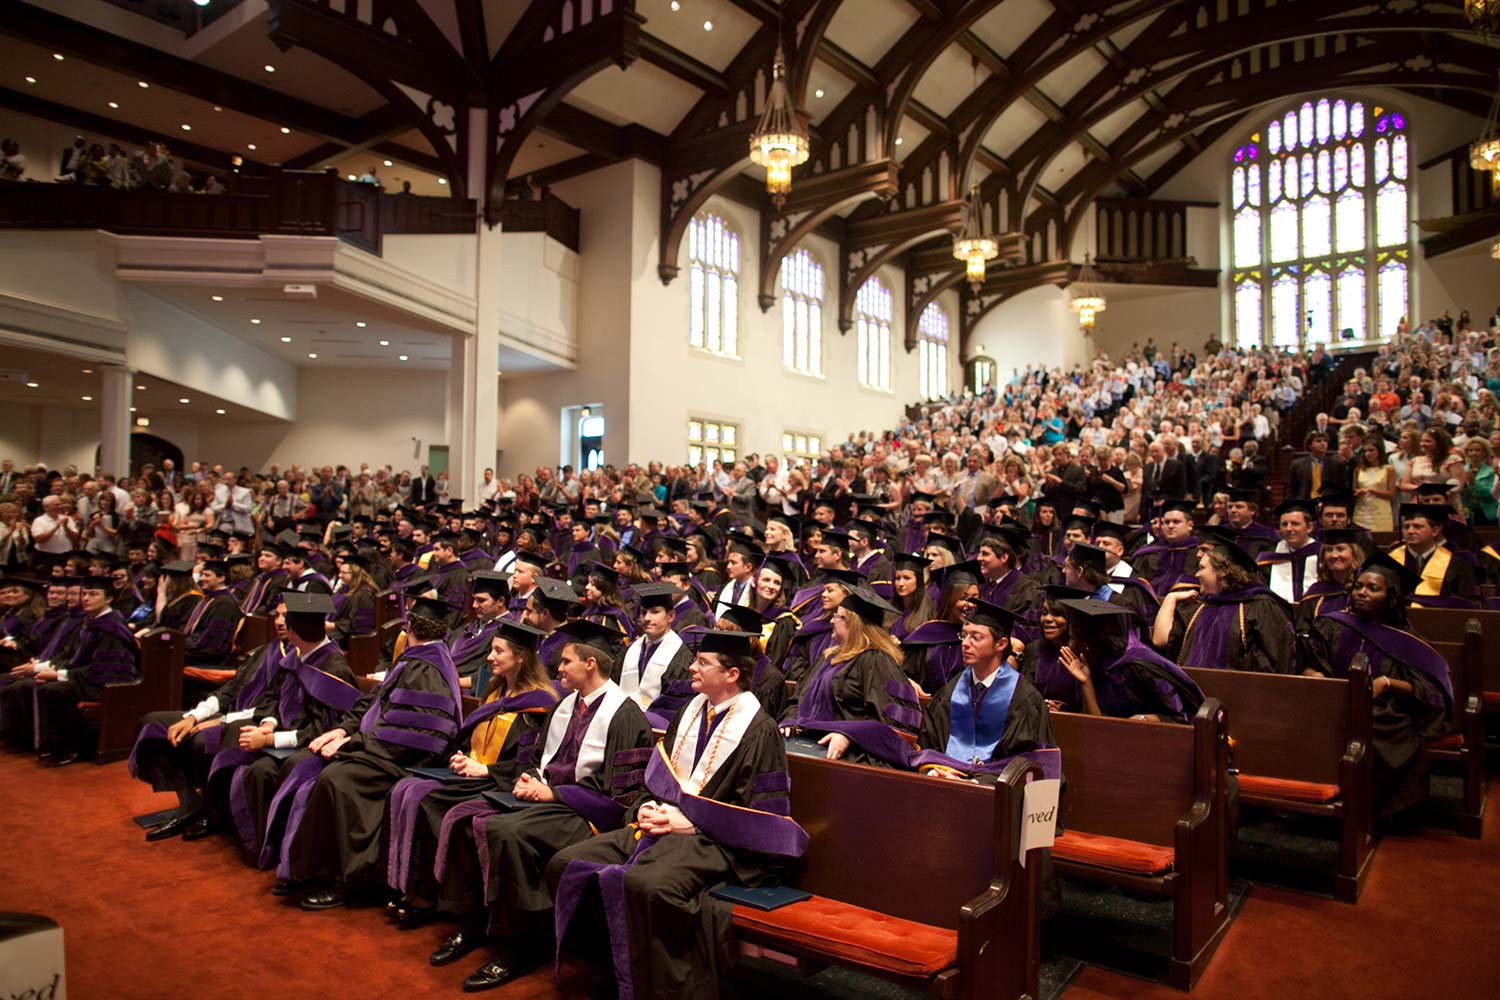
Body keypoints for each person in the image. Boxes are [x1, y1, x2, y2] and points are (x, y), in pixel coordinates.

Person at [547, 628, 806, 1000]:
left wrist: (692, 823)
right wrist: (648, 806)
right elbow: (658, 776)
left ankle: (661, 988)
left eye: (703, 663)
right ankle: (614, 968)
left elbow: (760, 815)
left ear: (731, 675)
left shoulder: (759, 729)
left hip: (716, 843)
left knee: (645, 885)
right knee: (568, 862)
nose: (692, 667)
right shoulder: (689, 710)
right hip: (660, 825)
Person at [458, 619, 654, 992]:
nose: (558, 668)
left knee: (508, 831)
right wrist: (531, 779)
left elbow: (621, 799)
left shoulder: (625, 715)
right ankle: (482, 923)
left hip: (590, 816)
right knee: (478, 820)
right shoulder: (565, 707)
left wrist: (556, 794)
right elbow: (537, 758)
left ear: (590, 664)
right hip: (553, 806)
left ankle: (525, 944)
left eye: (565, 661)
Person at [278, 595, 465, 910]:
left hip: (406, 761)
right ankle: (308, 870)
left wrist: (354, 744)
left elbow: (416, 738)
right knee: (317, 767)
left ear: (408, 626)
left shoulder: (425, 667)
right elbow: (373, 703)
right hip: (384, 751)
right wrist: (343, 731)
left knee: (339, 779)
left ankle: (348, 881)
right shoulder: (414, 658)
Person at [384, 619, 558, 944]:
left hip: (497, 784)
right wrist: (463, 755)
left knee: (428, 801)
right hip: (472, 775)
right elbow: (472, 737)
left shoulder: (537, 705)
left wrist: (487, 772)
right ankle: (408, 884)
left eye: (497, 651)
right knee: (405, 788)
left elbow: (528, 761)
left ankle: (431, 897)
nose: (490, 657)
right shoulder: (495, 691)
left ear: (520, 657)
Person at [1304, 554, 1453, 817]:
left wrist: (1386, 683)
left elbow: (1426, 690)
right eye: (1359, 586)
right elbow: (1311, 659)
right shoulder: (1332, 625)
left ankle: (1368, 808)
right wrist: (1313, 673)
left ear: (1390, 596)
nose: (1362, 593)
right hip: (1333, 699)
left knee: (1368, 723)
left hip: (1384, 708)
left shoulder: (1406, 640)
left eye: (1373, 589)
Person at [915, 599, 1056, 780]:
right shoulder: (948, 694)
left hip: (998, 798)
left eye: (976, 637)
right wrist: (935, 772)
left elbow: (1031, 766)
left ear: (1001, 644)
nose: (965, 643)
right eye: (964, 635)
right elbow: (929, 749)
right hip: (945, 789)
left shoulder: (1024, 700)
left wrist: (975, 783)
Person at [779, 586, 919, 765]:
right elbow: (799, 698)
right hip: (810, 742)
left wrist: (851, 735)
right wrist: (789, 721)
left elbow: (896, 727)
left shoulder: (876, 660)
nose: (831, 621)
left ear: (854, 623)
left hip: (855, 753)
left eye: (837, 616)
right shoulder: (828, 658)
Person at [9, 574, 139, 764]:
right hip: (86, 679)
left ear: (109, 598)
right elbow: (68, 655)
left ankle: (68, 749)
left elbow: (104, 671)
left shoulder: (111, 628)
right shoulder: (90, 623)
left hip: (107, 684)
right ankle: (49, 745)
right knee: (44, 685)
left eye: (93, 594)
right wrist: (42, 668)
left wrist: (59, 675)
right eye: (85, 594)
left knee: (54, 690)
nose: (86, 598)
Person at [1155, 530, 1297, 674]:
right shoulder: (1200, 607)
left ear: (1221, 572)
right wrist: (1170, 599)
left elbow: (1280, 661)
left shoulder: (1261, 607)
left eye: (1202, 568)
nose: (1197, 574)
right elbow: (1160, 640)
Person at [1057, 598, 1205, 722]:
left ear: (1087, 644)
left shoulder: (1139, 668)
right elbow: (1099, 726)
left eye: (1071, 638)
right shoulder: (1097, 665)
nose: (1068, 645)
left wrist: (1146, 719)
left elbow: (1182, 718)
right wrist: (1086, 682)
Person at [615, 582, 695, 726]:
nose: (647, 618)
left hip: (655, 731)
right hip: (622, 725)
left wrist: (641, 718)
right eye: (643, 612)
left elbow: (674, 707)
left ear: (671, 616)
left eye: (655, 612)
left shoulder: (681, 656)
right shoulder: (630, 650)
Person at [1387, 497, 1479, 604]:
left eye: (1417, 526)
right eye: (1406, 527)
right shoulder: (1389, 561)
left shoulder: (1457, 565)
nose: (1410, 531)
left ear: (1435, 531)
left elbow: (1467, 605)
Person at [1132, 498, 1202, 594]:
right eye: (1166, 522)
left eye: (1176, 522)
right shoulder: (1148, 553)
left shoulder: (1200, 552)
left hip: (1187, 606)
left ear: (1190, 525)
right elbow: (1137, 584)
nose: (1170, 526)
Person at [1257, 499, 1321, 603]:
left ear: (1309, 527)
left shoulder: (1322, 554)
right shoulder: (1269, 557)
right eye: (1284, 524)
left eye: (1295, 524)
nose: (1288, 528)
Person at [1286, 430, 1346, 499]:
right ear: (1309, 445)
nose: (1323, 443)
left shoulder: (1336, 464)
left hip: (1328, 503)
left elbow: (1341, 488)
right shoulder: (1297, 464)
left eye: (1325, 441)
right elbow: (1291, 490)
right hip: (1304, 503)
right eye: (1318, 441)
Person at [1353, 440, 1397, 532]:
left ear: (1379, 451)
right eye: (1365, 451)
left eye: (1371, 450)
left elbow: (1391, 494)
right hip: (1361, 511)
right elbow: (1355, 490)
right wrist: (1358, 493)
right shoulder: (1359, 470)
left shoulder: (1388, 469)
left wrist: (1371, 491)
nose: (1367, 454)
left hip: (1380, 511)